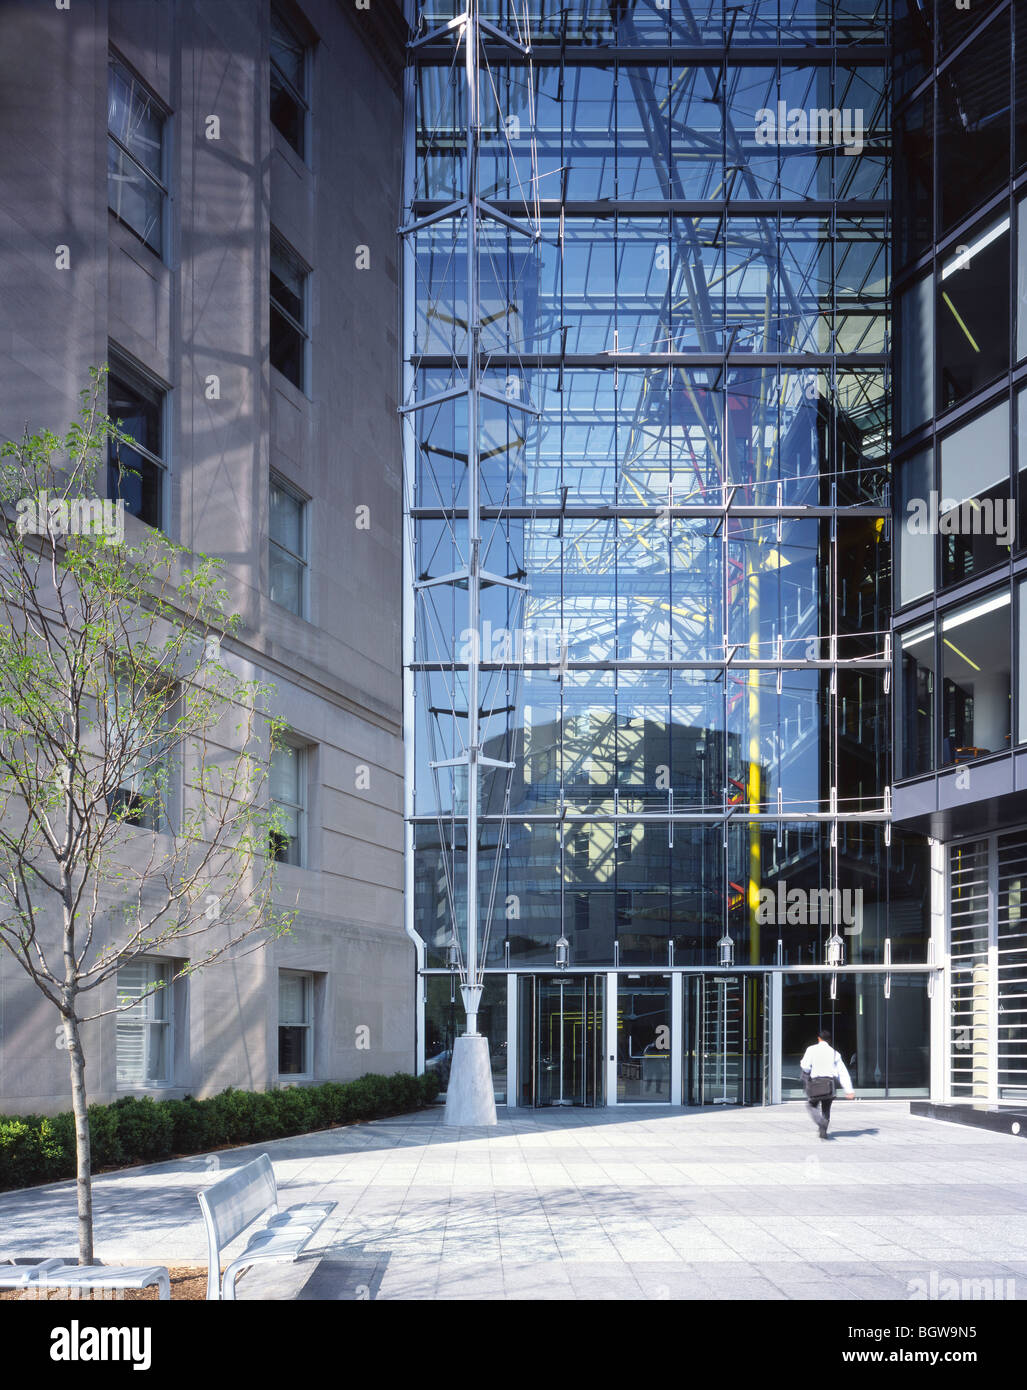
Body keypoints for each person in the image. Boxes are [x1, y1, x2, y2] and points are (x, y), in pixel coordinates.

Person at [799, 1028, 854, 1139]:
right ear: (829, 1040)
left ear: (818, 1038)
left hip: (815, 1083)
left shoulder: (811, 1049)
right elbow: (842, 1072)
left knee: (811, 1105)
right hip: (829, 1085)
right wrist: (849, 1090)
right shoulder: (835, 1053)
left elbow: (805, 1066)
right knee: (826, 1108)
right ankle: (823, 1129)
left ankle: (820, 1123)